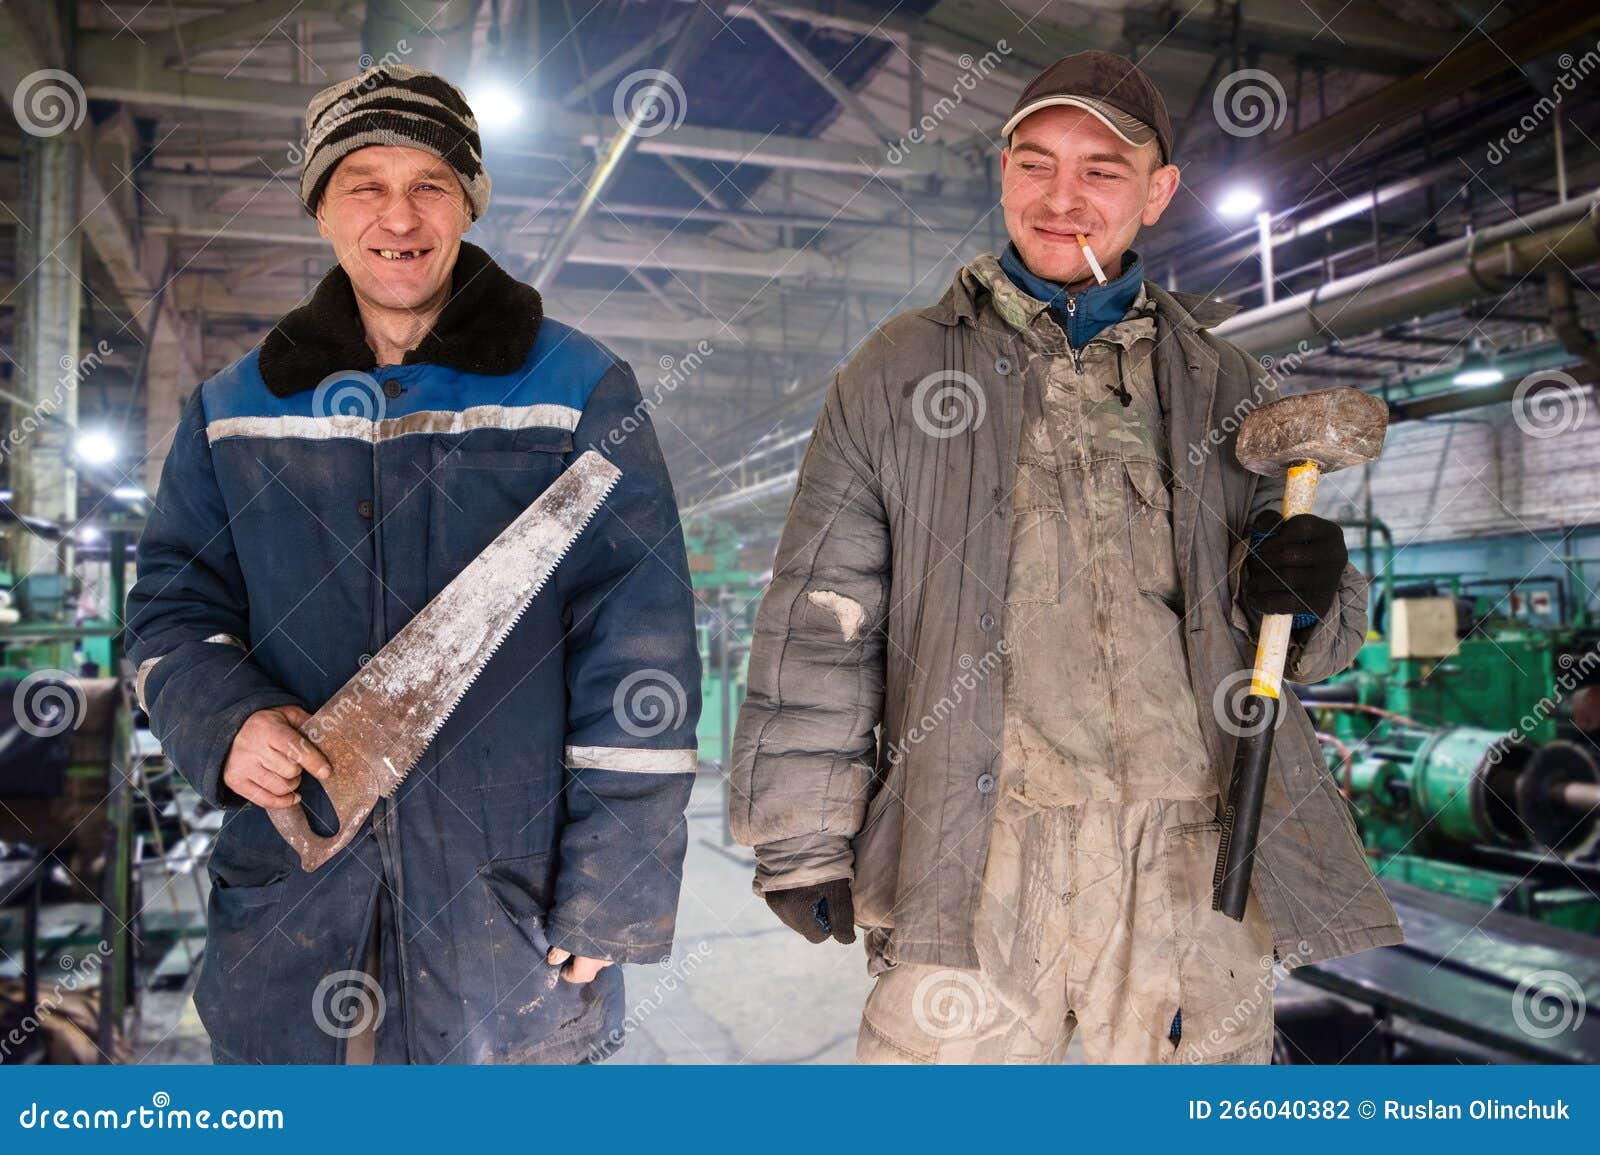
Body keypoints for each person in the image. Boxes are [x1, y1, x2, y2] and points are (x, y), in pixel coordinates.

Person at [730, 50, 1400, 1064]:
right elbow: (822, 618)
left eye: (1101, 169)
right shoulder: (898, 372)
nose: (1062, 199)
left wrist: (1308, 592)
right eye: (1035, 164)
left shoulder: (1228, 387)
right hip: (974, 848)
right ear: (1002, 172)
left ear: (1157, 191)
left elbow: (1307, 647)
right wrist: (798, 837)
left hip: (1191, 852)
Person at [126, 65, 700, 1064]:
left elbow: (640, 646)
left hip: (503, 916)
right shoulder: (233, 411)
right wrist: (222, 721)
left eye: (430, 183)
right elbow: (171, 608)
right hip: (293, 908)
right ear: (321, 210)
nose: (400, 216)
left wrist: (615, 886)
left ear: (469, 203)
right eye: (364, 184)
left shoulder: (577, 390)